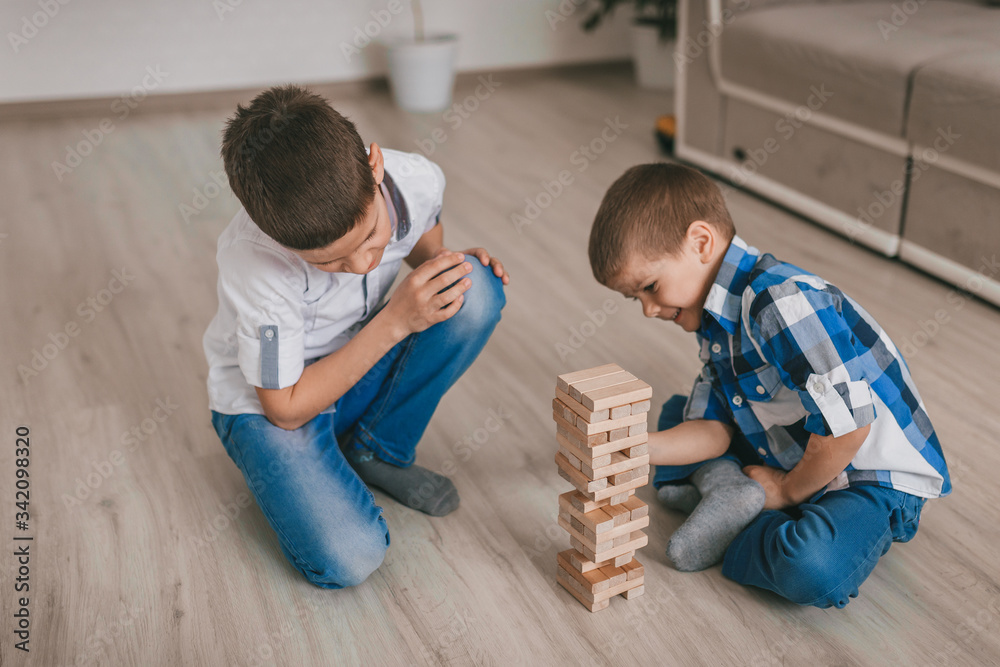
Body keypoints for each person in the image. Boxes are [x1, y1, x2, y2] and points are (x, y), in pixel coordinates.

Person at [586, 162, 949, 608]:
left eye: (650, 287)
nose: (647, 310)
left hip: (866, 479)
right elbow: (715, 428)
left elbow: (848, 427)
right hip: (793, 450)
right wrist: (638, 449)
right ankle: (728, 491)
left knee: (812, 567)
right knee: (676, 414)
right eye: (635, 298)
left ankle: (738, 513)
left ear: (701, 243)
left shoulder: (780, 300)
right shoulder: (715, 327)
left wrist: (787, 490)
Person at [202, 85, 508, 589]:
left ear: (375, 166)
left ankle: (374, 449)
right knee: (348, 557)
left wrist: (452, 267)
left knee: (475, 290)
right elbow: (284, 406)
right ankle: (316, 459)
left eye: (369, 235)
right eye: (329, 262)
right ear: (273, 234)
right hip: (275, 406)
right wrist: (395, 323)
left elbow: (428, 252)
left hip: (360, 363)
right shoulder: (254, 263)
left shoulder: (418, 179)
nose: (362, 263)